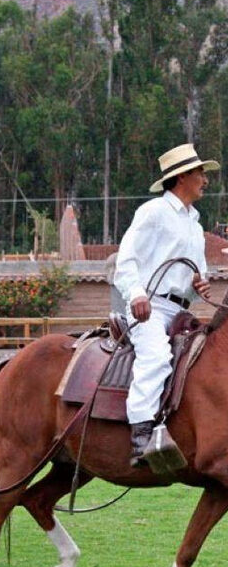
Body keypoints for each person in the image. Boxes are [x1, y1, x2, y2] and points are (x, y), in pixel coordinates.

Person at [114, 143, 216, 467]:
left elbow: (195, 275)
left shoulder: (195, 225)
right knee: (156, 355)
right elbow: (126, 259)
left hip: (182, 312)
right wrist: (136, 296)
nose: (205, 179)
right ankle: (141, 435)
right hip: (150, 308)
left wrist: (199, 285)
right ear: (183, 176)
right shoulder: (153, 212)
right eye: (200, 173)